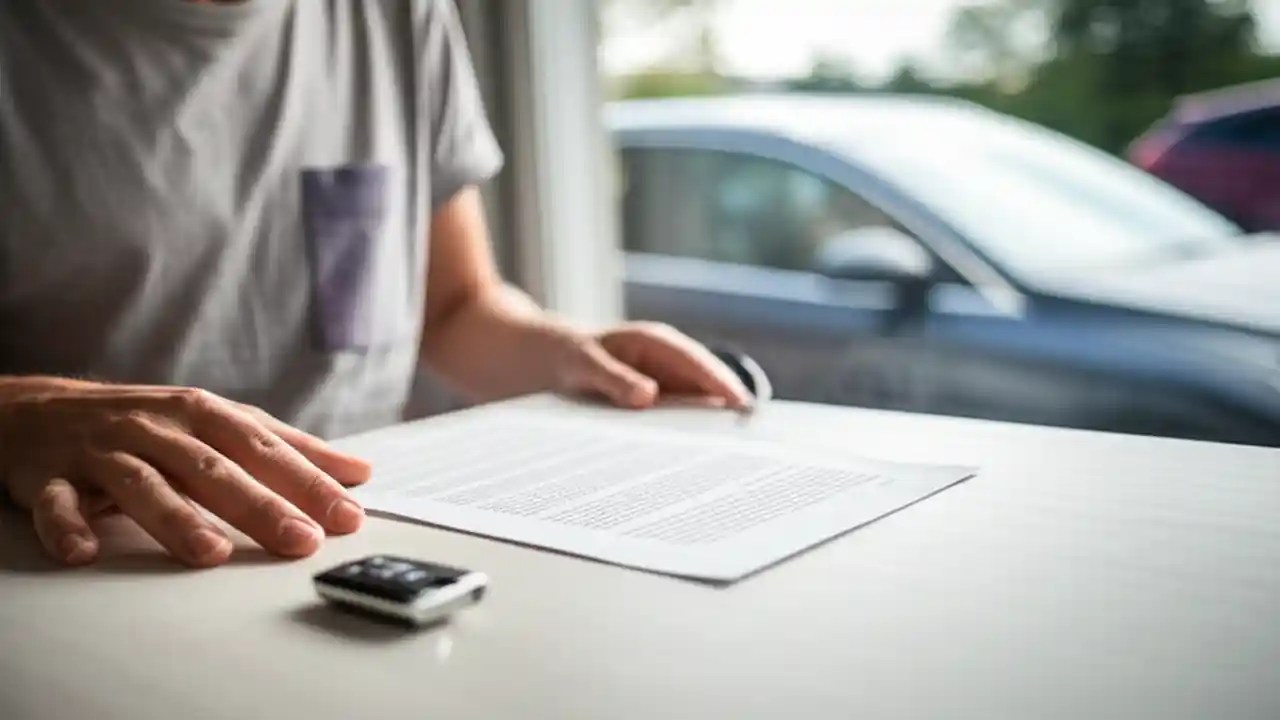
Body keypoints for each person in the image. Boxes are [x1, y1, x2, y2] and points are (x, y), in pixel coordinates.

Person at [0, 0, 752, 568]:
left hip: (356, 541)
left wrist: (578, 353)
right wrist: (21, 413)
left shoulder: (398, 13)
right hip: (101, 563)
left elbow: (456, 307)